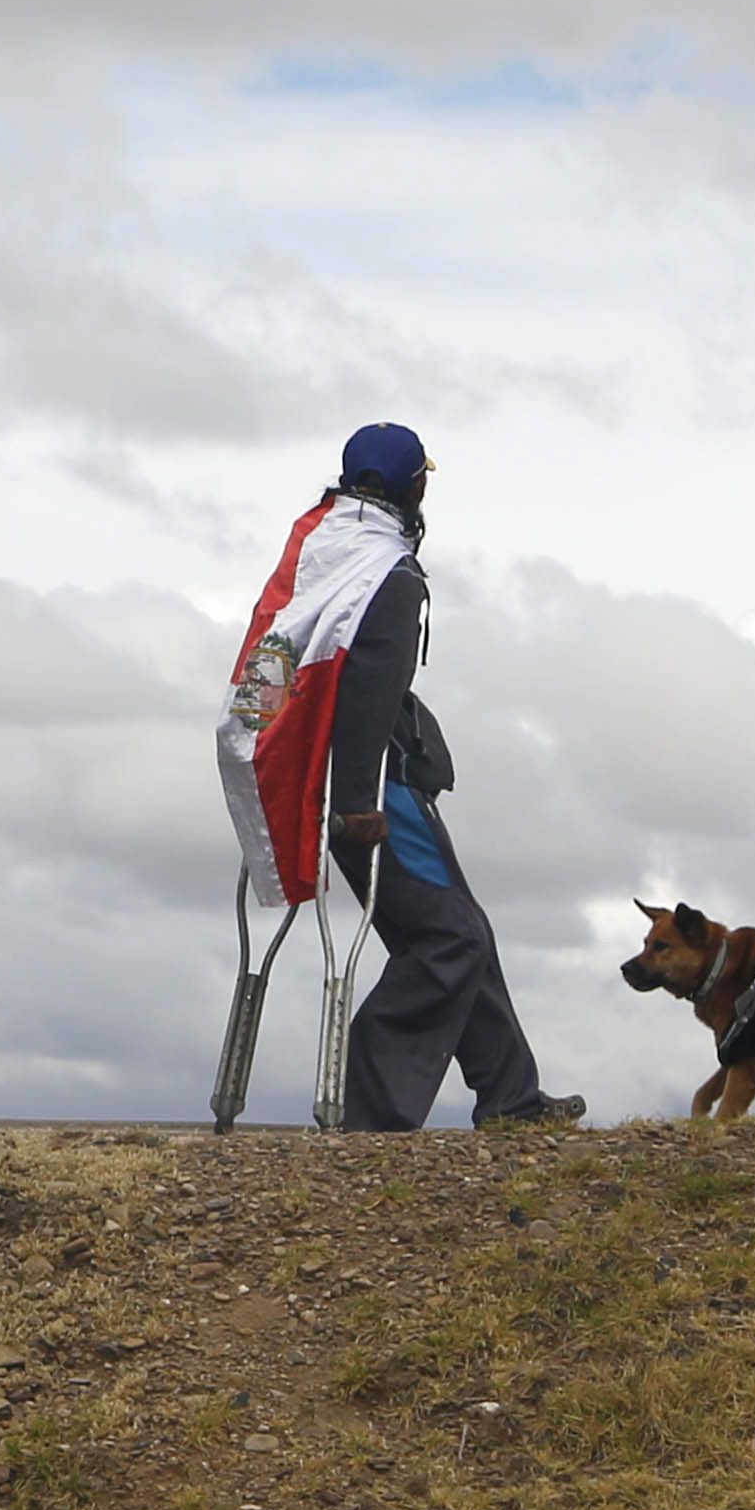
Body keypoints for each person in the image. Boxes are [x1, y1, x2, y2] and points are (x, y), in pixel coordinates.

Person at [307, 426, 580, 1130]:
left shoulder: (325, 552)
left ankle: (512, 1096)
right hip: (377, 795)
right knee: (450, 937)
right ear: (414, 487)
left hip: (335, 783)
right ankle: (369, 1115)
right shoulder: (389, 577)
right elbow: (368, 693)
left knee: (464, 929)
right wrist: (361, 804)